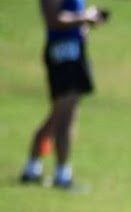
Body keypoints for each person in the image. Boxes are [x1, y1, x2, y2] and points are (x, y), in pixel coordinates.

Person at [19, 0, 109, 192]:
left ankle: (32, 167)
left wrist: (86, 24)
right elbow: (53, 19)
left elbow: (70, 17)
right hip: (63, 51)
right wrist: (84, 17)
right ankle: (61, 174)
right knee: (64, 116)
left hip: (75, 50)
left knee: (60, 115)